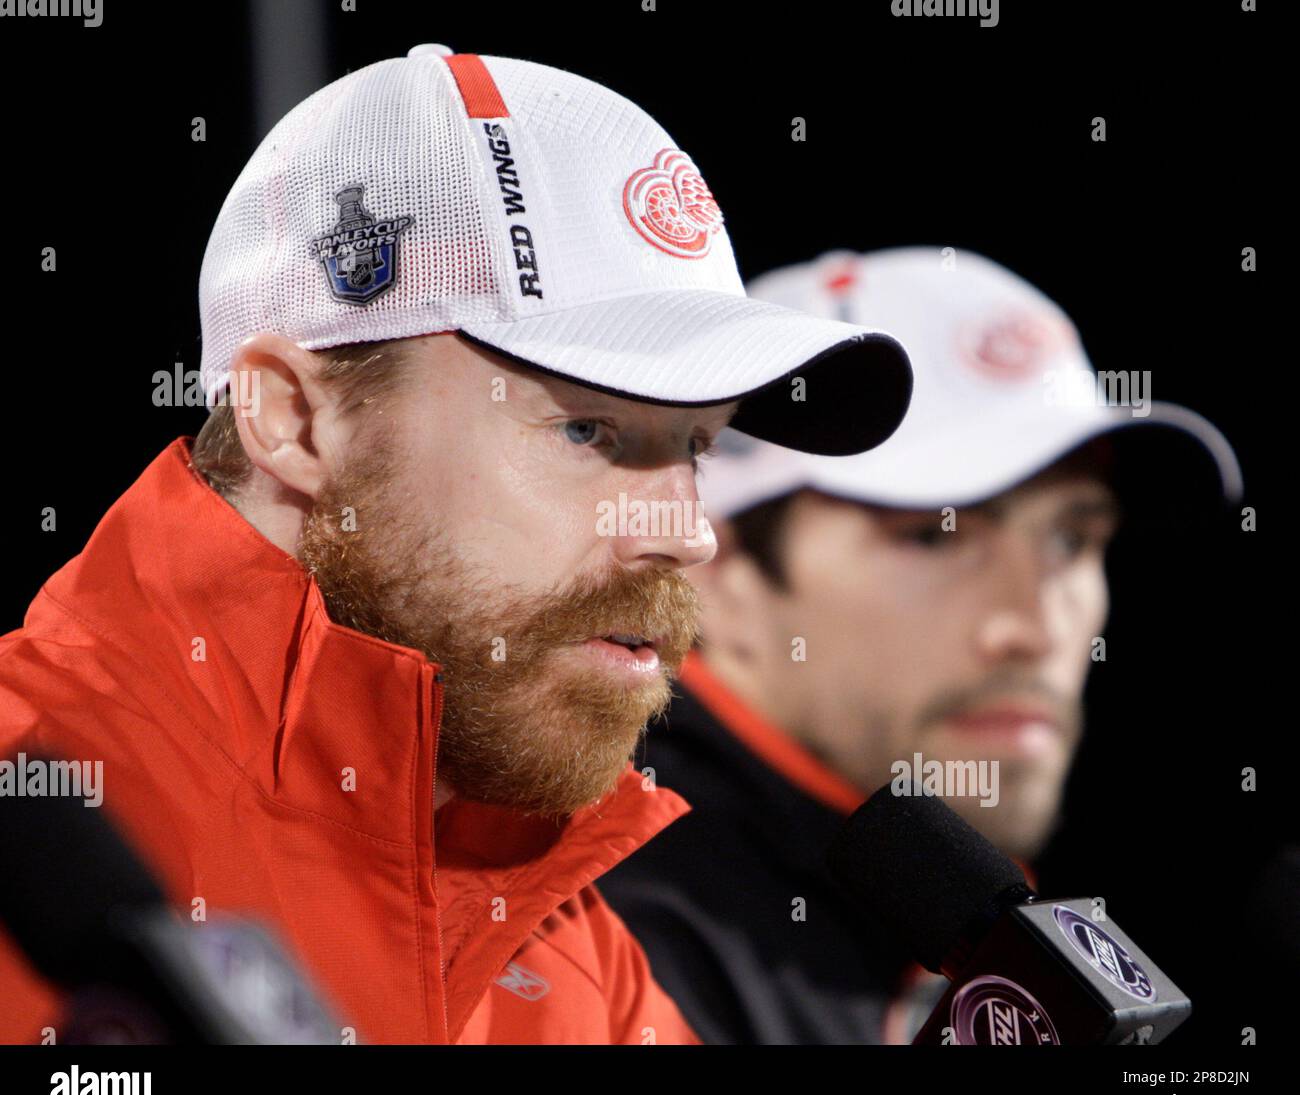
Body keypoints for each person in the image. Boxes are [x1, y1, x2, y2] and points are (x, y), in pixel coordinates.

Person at [0, 49, 912, 1044]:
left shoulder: (567, 938)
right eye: (587, 431)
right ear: (294, 419)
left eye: (697, 444)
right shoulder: (28, 804)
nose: (687, 533)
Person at [599, 246, 1242, 1044]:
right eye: (933, 538)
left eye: (1072, 539)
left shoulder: (952, 913)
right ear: (719, 571)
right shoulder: (610, 939)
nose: (1034, 627)